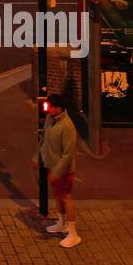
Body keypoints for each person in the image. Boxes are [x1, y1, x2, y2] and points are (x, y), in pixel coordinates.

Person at [33, 93, 80, 248]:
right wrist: (37, 158)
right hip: (51, 166)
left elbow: (68, 154)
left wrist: (57, 172)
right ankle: (61, 222)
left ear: (59, 108)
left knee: (66, 197)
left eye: (52, 107)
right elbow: (43, 140)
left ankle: (73, 234)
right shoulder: (49, 119)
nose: (48, 109)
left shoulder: (67, 126)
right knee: (58, 196)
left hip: (63, 170)